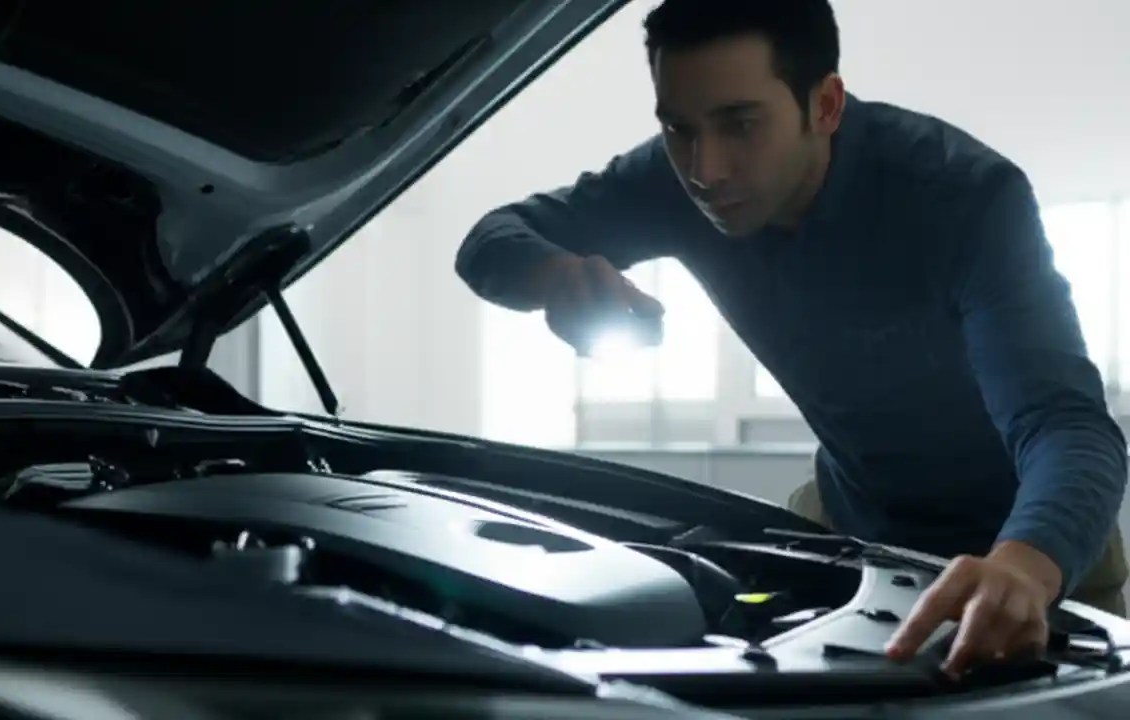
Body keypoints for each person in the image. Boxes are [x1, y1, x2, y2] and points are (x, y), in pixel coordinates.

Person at [454, 0, 1129, 679]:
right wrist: (556, 277)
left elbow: (1065, 423)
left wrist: (1025, 564)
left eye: (740, 124)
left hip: (1034, 550)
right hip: (856, 534)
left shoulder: (964, 198)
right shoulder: (674, 178)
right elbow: (491, 239)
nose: (704, 170)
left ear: (827, 105)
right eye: (677, 127)